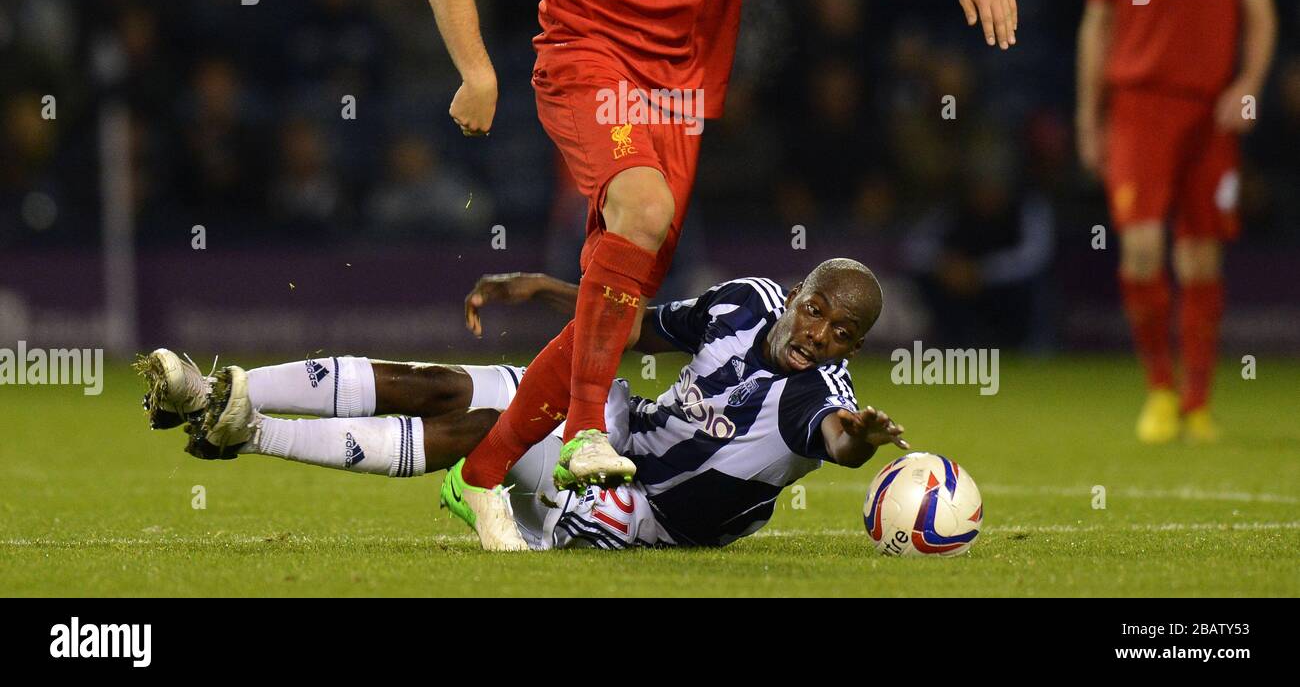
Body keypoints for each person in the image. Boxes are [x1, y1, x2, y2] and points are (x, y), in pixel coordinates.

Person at [428, 0, 1014, 548]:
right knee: (644, 212)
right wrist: (477, 72)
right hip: (583, 65)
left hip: (680, 100)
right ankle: (586, 432)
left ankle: (476, 476)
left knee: (615, 310)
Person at [139, 259, 907, 551]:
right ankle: (219, 394)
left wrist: (861, 442)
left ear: (854, 348)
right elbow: (633, 325)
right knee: (447, 381)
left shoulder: (821, 396)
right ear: (798, 292)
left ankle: (252, 433)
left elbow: (834, 437)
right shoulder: (746, 301)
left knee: (489, 436)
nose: (820, 335)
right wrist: (544, 289)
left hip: (640, 511)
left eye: (843, 333)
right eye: (816, 311)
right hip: (616, 428)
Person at [1075, 0, 1277, 444]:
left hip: (1209, 109)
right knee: (1139, 250)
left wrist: (1246, 85)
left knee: (1198, 259)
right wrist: (1088, 116)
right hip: (1138, 107)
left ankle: (1197, 403)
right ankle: (1158, 389)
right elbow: (1097, 23)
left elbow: (1260, 14)